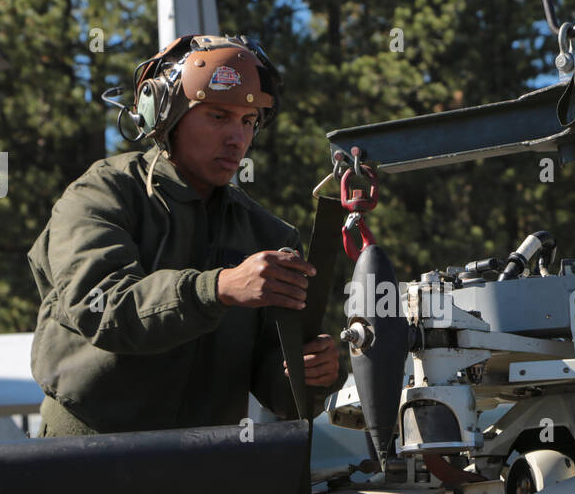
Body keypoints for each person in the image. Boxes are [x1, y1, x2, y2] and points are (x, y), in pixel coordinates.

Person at [27, 34, 343, 437]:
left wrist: (313, 374)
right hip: (88, 456)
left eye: (248, 122)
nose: (238, 138)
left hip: (203, 464)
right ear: (164, 113)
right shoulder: (103, 193)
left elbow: (282, 395)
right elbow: (102, 307)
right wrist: (219, 287)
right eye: (218, 116)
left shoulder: (267, 234)